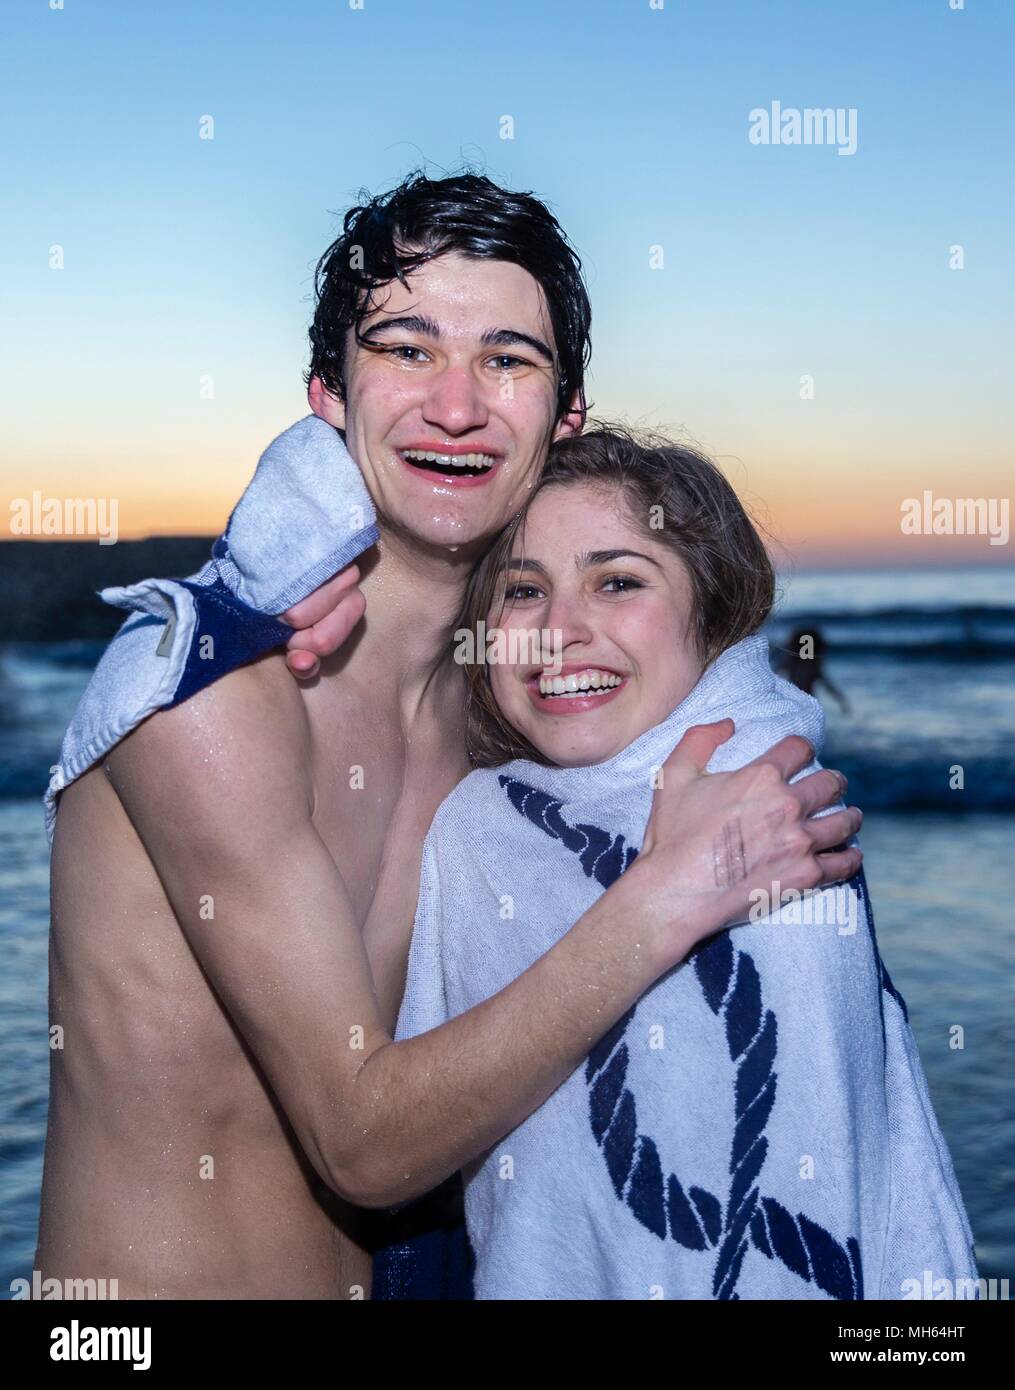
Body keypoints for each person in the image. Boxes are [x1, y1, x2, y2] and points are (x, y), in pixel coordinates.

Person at [37, 173, 860, 1301]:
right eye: (407, 349)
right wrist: (675, 889)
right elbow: (362, 1144)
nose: (459, 406)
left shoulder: (510, 726)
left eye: (508, 359)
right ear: (329, 391)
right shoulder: (204, 689)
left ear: (563, 415)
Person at [393, 425, 978, 1299]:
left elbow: (858, 1138)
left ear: (709, 613)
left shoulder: (780, 804)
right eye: (522, 591)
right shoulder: (478, 832)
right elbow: (415, 1136)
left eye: (617, 581)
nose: (559, 629)